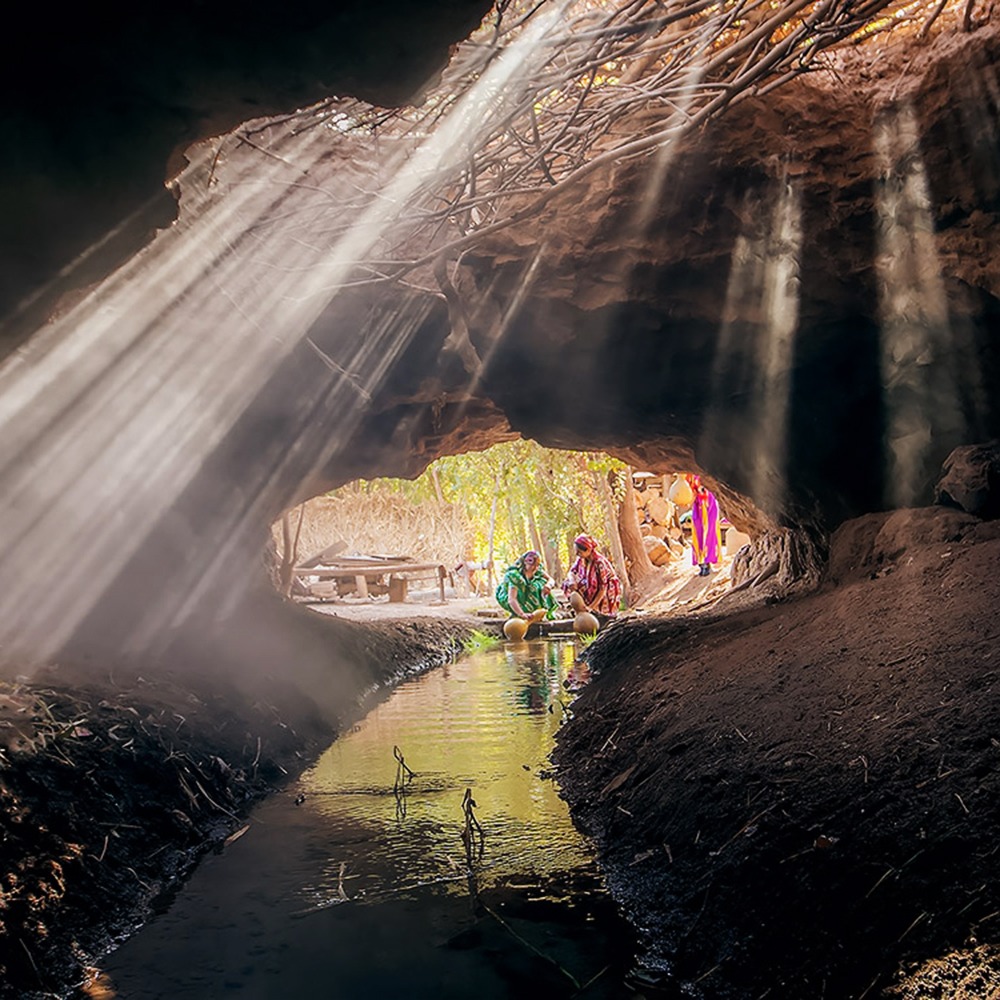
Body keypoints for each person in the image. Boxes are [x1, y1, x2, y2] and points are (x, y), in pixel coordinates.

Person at [563, 534, 622, 617]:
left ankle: (596, 611)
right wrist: (572, 581)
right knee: (567, 582)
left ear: (588, 550)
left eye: (579, 552)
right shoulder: (581, 559)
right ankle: (581, 609)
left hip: (605, 590)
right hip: (593, 587)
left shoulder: (599, 563)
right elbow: (571, 572)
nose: (577, 554)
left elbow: (602, 589)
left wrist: (591, 607)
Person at [495, 551, 558, 620]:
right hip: (515, 598)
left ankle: (539, 611)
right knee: (531, 588)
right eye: (532, 565)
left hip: (531, 597)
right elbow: (512, 599)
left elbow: (551, 580)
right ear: (525, 563)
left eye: (536, 565)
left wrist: (548, 585)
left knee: (538, 584)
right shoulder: (516, 576)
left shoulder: (537, 571)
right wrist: (522, 614)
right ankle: (519, 612)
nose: (534, 568)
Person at [686, 474, 722, 576]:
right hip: (697, 507)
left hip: (709, 505)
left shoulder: (706, 471)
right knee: (698, 534)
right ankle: (701, 564)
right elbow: (689, 491)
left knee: (709, 533)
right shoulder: (690, 475)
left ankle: (707, 563)